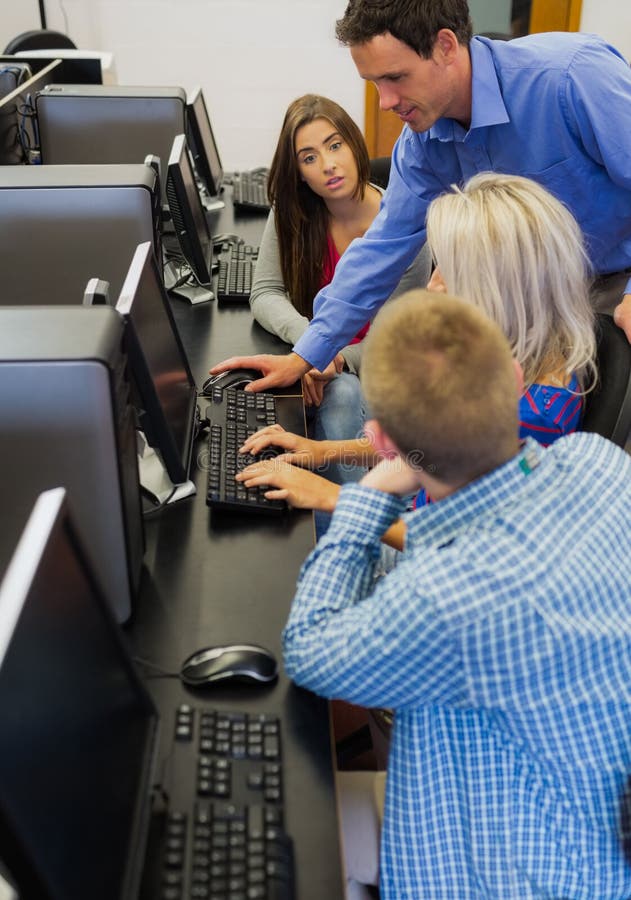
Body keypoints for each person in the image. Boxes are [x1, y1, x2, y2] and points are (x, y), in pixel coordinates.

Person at [281, 289, 631, 899]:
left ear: (383, 442)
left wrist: (371, 494)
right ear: (516, 379)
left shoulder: (445, 593)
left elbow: (309, 649)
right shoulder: (599, 462)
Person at [210, 0, 631, 393]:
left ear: (445, 46)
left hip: (616, 281)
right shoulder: (424, 142)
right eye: (374, 82)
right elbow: (381, 248)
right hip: (529, 303)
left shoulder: (572, 76)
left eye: (395, 77)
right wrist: (306, 353)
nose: (386, 101)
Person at [236, 172, 598, 545]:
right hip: (417, 507)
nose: (432, 285)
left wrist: (326, 495)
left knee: (281, 530)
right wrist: (321, 451)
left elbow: (445, 546)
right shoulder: (517, 357)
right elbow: (433, 452)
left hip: (427, 549)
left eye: (452, 273)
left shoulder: (528, 420)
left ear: (502, 291)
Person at [251, 93, 430, 485]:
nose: (328, 164)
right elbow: (265, 292)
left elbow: (394, 345)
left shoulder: (403, 231)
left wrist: (334, 361)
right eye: (309, 157)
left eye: (335, 145)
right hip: (315, 371)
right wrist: (312, 348)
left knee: (344, 392)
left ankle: (345, 525)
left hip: (377, 378)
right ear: (298, 171)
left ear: (354, 143)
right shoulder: (291, 214)